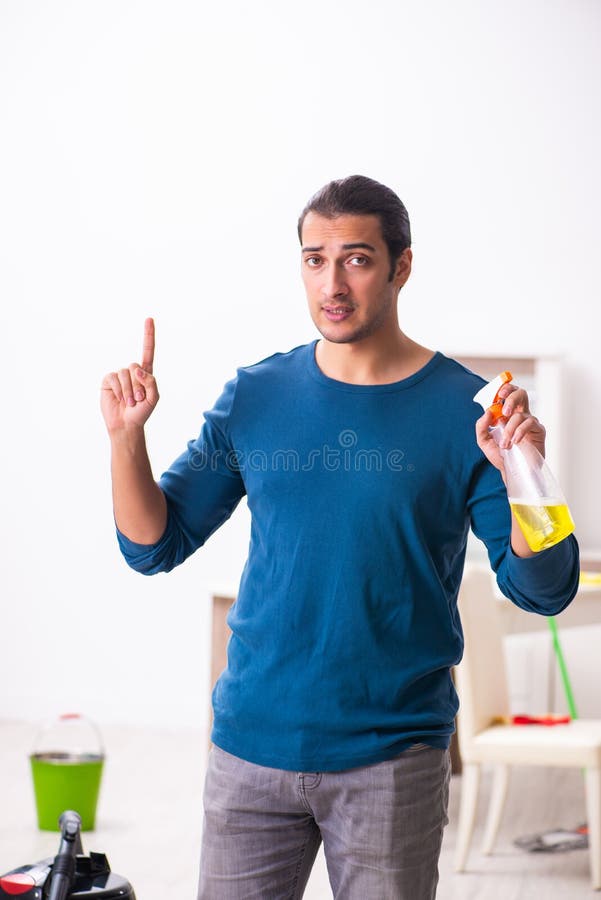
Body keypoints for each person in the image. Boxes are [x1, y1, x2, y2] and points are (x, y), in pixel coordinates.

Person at [101, 175, 579, 900]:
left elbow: (545, 589)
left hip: (391, 759)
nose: (332, 282)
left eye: (355, 258)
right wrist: (124, 440)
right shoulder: (255, 395)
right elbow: (152, 545)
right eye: (313, 259)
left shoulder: (465, 410)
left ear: (401, 266)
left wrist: (525, 470)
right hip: (249, 749)